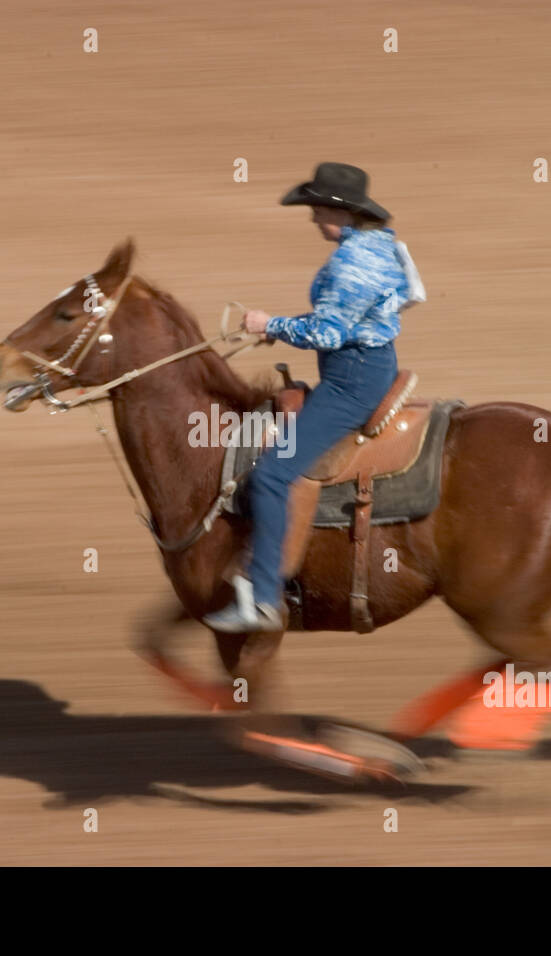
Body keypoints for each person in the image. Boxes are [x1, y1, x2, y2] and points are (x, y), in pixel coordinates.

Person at [204, 162, 425, 633]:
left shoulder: (351, 260)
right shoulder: (377, 245)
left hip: (351, 380)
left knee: (271, 474)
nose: (312, 218)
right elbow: (343, 317)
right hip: (366, 364)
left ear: (340, 211)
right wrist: (285, 328)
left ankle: (261, 600)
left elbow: (327, 332)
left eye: (317, 208)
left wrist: (272, 325)